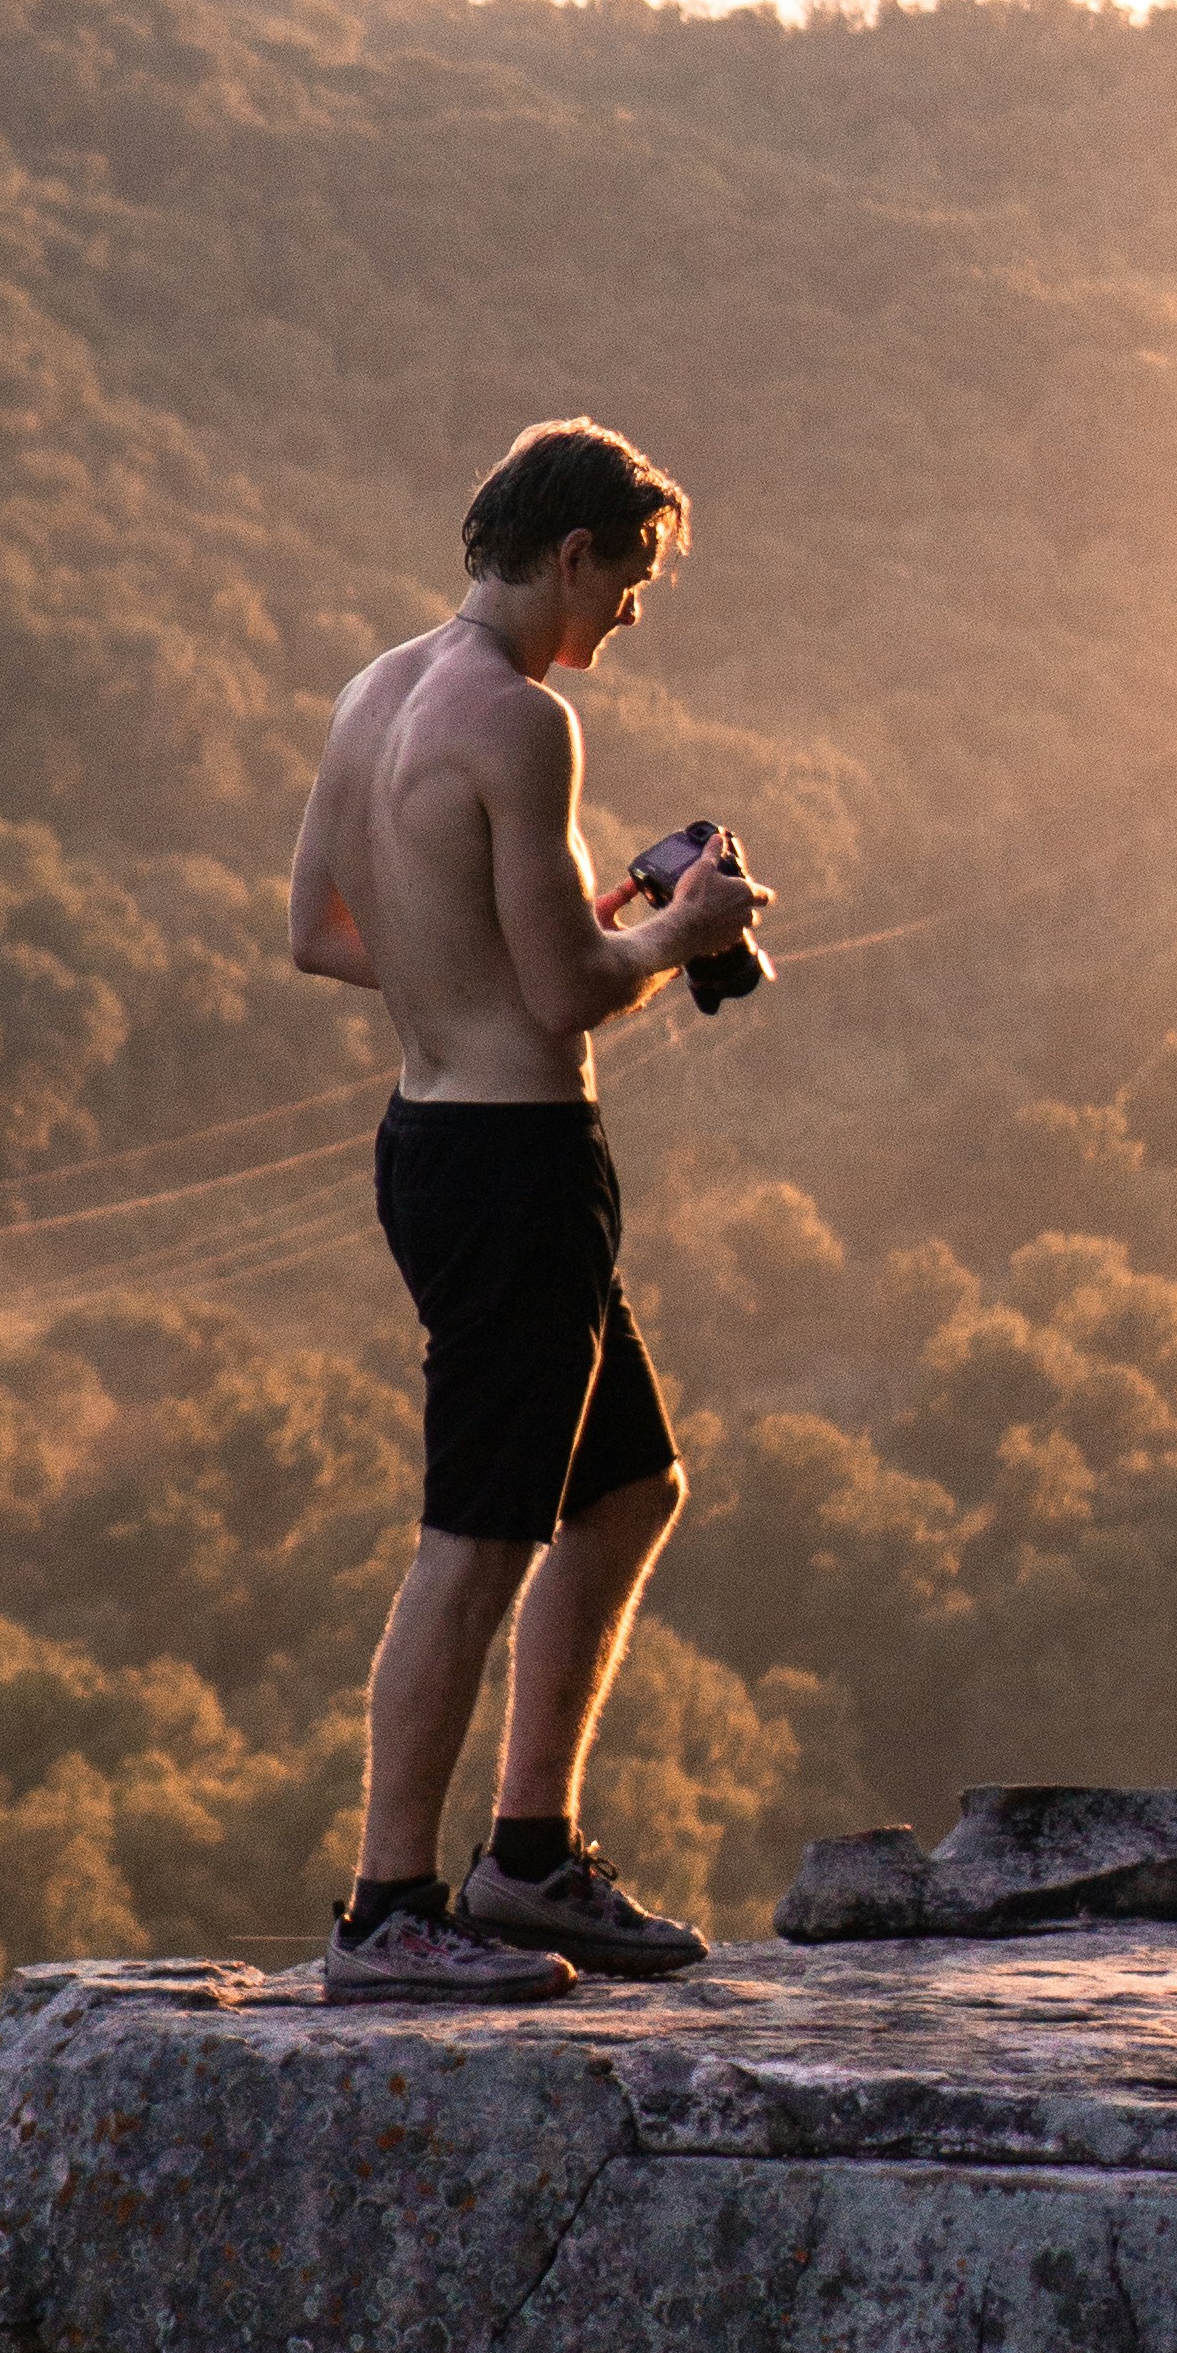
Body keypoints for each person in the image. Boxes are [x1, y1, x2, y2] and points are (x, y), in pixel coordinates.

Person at [284, 418, 772, 2003]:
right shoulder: (522, 720)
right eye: (629, 579)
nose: (630, 611)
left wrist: (546, 940)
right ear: (572, 552)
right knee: (478, 1538)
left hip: (431, 1141)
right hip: (516, 1166)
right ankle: (389, 1910)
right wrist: (682, 929)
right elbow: (566, 994)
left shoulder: (378, 692)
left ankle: (529, 1859)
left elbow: (326, 929)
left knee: (629, 1488)